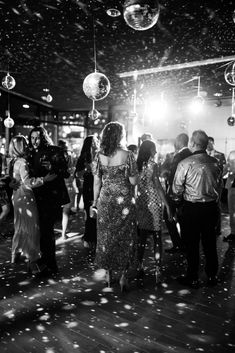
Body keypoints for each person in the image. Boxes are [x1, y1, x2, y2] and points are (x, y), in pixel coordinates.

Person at [92, 122, 138, 291]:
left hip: (105, 200)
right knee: (125, 237)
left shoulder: (99, 155)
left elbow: (97, 182)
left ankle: (109, 274)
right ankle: (124, 277)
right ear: (121, 135)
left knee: (106, 236)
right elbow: (133, 181)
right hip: (124, 201)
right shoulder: (128, 155)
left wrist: (94, 202)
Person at [173, 130, 222, 288]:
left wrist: (177, 204)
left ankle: (192, 276)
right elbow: (219, 186)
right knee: (210, 244)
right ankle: (212, 276)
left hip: (192, 209)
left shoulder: (185, 163)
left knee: (191, 244)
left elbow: (176, 189)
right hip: (211, 208)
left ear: (193, 143)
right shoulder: (215, 162)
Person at [8, 135, 56, 274]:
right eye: (24, 143)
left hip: (16, 196)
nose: (28, 145)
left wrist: (11, 183)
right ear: (20, 146)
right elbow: (28, 182)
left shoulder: (13, 161)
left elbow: (11, 179)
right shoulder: (22, 162)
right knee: (32, 228)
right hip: (25, 197)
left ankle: (15, 254)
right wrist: (44, 179)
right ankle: (33, 263)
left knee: (20, 225)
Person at [26, 126, 70, 275]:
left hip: (51, 197)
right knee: (39, 231)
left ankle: (50, 264)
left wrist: (53, 166)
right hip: (35, 195)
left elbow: (66, 173)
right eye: (32, 138)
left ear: (43, 137)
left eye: (37, 138)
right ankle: (42, 261)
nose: (35, 141)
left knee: (47, 231)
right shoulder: (30, 153)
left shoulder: (55, 150)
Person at [136, 140, 172, 284]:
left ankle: (139, 266)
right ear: (149, 150)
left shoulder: (136, 166)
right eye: (154, 149)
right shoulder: (153, 165)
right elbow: (157, 186)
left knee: (142, 237)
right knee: (157, 237)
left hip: (141, 203)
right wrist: (167, 204)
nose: (156, 152)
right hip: (154, 204)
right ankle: (157, 268)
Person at [163, 133, 192, 253]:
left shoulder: (179, 155)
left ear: (180, 141)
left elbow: (174, 175)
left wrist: (167, 176)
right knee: (183, 218)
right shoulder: (191, 154)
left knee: (168, 215)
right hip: (188, 191)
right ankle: (186, 243)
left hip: (176, 191)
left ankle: (178, 244)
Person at [74, 135, 99, 253]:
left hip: (100, 187)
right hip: (89, 187)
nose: (95, 144)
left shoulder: (100, 155)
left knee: (98, 213)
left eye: (96, 142)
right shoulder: (83, 157)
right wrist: (87, 170)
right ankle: (89, 238)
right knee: (90, 213)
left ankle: (96, 238)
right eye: (93, 142)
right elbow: (77, 174)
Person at [207, 136, 226, 236]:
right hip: (206, 184)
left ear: (213, 143)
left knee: (217, 205)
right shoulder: (203, 155)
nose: (209, 144)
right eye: (207, 143)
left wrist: (217, 178)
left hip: (218, 184)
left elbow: (224, 170)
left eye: (210, 142)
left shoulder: (220, 155)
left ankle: (217, 229)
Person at [58, 139, 75, 240]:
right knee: (65, 212)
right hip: (68, 187)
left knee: (57, 212)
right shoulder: (71, 159)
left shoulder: (56, 159)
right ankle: (63, 233)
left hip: (58, 188)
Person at [223, 150, 235, 242]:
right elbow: (227, 168)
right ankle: (233, 233)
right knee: (232, 211)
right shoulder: (232, 154)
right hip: (232, 186)